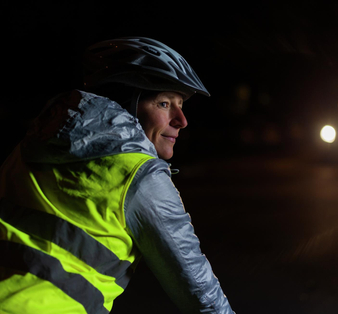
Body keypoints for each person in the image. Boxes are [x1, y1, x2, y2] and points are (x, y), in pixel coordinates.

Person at [0, 37, 235, 313]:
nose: (181, 120)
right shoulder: (140, 174)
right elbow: (200, 292)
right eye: (163, 103)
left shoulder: (29, 147)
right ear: (129, 104)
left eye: (180, 104)